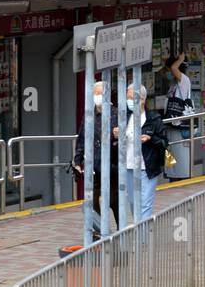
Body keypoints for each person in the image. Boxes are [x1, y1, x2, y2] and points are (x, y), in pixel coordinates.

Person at [112, 84, 168, 222]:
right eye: (128, 98)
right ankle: (139, 230)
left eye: (132, 98)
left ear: (142, 99)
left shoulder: (154, 119)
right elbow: (115, 142)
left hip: (147, 167)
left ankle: (142, 238)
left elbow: (164, 142)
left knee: (145, 204)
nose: (129, 101)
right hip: (128, 166)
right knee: (133, 202)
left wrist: (150, 138)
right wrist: (114, 135)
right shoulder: (125, 117)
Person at [71, 81, 118, 240]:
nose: (97, 97)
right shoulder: (89, 115)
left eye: (99, 94)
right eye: (95, 94)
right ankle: (98, 231)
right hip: (95, 165)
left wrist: (115, 136)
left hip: (113, 166)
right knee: (92, 200)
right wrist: (77, 160)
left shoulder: (116, 114)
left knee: (113, 200)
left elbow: (124, 139)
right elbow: (82, 138)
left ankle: (120, 229)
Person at [163, 52, 193, 179]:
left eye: (168, 70)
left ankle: (181, 176)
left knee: (180, 155)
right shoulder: (174, 84)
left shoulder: (184, 80)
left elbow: (174, 68)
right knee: (170, 151)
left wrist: (180, 59)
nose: (168, 72)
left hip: (180, 125)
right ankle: (171, 174)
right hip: (171, 124)